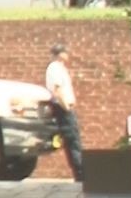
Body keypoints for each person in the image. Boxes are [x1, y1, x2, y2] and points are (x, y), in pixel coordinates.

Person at [46, 43, 85, 183]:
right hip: (63, 109)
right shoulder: (55, 68)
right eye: (65, 51)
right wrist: (66, 107)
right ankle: (80, 174)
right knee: (73, 141)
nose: (68, 54)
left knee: (74, 141)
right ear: (59, 54)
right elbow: (57, 90)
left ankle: (80, 172)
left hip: (65, 108)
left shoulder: (59, 68)